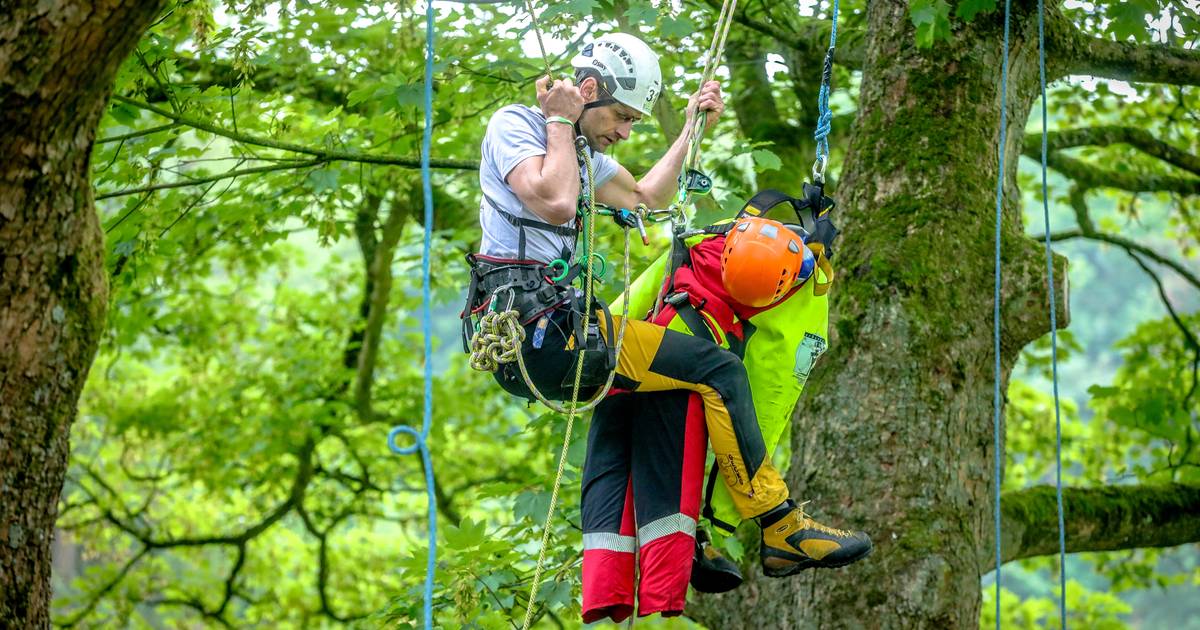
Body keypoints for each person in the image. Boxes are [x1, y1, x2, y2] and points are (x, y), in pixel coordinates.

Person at [459, 33, 869, 623]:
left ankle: (637, 567)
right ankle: (779, 525)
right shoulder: (518, 125)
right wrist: (559, 121)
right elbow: (552, 202)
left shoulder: (578, 152)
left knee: (652, 395)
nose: (625, 132)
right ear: (588, 91)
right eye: (622, 117)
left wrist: (691, 130)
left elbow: (646, 197)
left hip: (566, 331)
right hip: (536, 331)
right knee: (718, 371)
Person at [581, 198, 869, 622]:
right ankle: (772, 528)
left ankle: (607, 587)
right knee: (719, 390)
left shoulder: (697, 244)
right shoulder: (790, 298)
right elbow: (767, 403)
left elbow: (631, 300)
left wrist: (586, 355)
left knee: (614, 478)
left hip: (622, 364)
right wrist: (726, 515)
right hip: (674, 387)